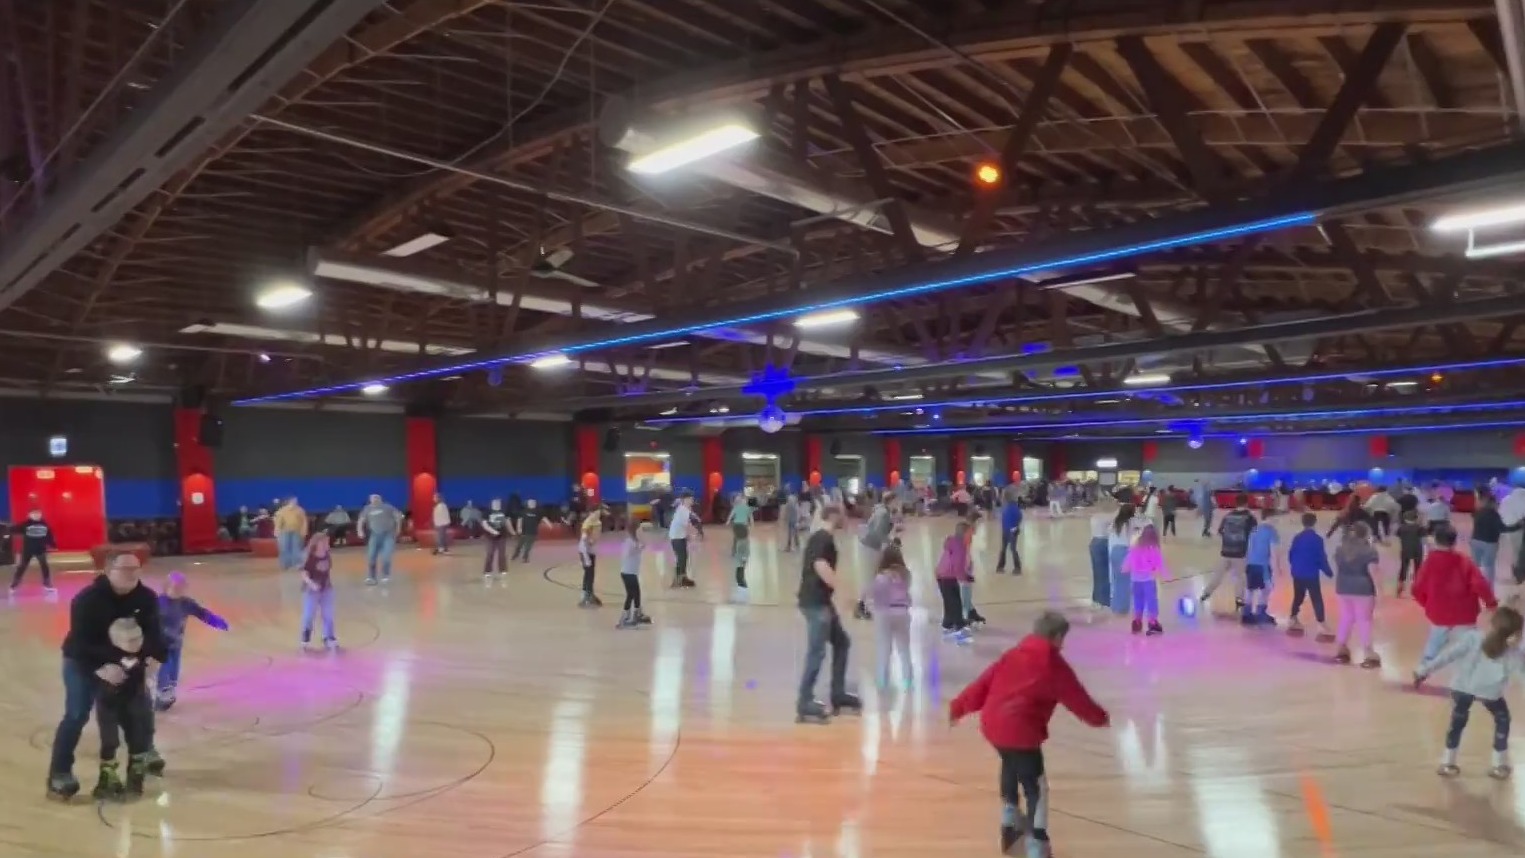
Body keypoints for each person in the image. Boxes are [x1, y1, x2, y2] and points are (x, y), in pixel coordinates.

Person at [949, 611, 1109, 858]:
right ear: (1055, 637)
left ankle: (1010, 817)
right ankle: (1037, 841)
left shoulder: (1013, 655)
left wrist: (958, 707)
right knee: (1037, 787)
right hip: (1021, 730)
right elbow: (1078, 699)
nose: (1063, 645)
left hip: (992, 724)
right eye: (1062, 639)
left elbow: (982, 685)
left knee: (1011, 762)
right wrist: (1099, 718)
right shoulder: (1054, 665)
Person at [47, 552, 166, 800]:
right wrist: (101, 668)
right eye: (124, 569)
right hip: (83, 661)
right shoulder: (87, 600)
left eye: (135, 568)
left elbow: (155, 634)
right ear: (108, 570)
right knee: (77, 714)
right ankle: (59, 773)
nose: (131, 574)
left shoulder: (146, 598)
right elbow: (81, 642)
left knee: (139, 710)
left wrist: (155, 657)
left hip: (124, 662)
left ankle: (144, 751)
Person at [1414, 606, 1524, 780]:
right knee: (1502, 718)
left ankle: (1448, 761)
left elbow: (1448, 655)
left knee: (1458, 721)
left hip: (1461, 687)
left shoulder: (1473, 638)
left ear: (1492, 623)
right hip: (1490, 692)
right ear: (1515, 634)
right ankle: (1499, 764)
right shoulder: (1512, 654)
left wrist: (1424, 670)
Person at [795, 503, 859, 723]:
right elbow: (821, 566)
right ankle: (804, 701)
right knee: (817, 652)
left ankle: (838, 694)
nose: (846, 518)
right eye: (843, 514)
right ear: (833, 516)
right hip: (815, 604)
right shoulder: (822, 538)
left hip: (821, 602)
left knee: (842, 642)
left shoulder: (823, 538)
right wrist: (844, 592)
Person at [90, 617, 157, 799]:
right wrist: (100, 670)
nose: (135, 644)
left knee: (138, 738)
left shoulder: (145, 651)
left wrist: (153, 667)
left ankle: (135, 778)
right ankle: (107, 779)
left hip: (134, 700)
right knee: (110, 740)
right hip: (108, 703)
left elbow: (160, 651)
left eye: (137, 639)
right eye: (129, 640)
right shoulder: (104, 654)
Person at [1412, 523, 1497, 662]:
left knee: (1433, 646)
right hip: (1465, 613)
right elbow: (1479, 584)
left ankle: (1422, 670)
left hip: (1439, 613)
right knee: (1469, 647)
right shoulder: (1464, 561)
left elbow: (1417, 588)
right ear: (1455, 541)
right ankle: (1468, 675)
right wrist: (1491, 603)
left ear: (1435, 539)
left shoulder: (1430, 562)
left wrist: (1428, 604)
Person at [153, 571, 228, 711]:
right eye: (175, 587)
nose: (178, 590)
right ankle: (162, 691)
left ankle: (168, 692)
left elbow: (202, 613)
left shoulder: (186, 603)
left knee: (174, 669)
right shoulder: (158, 603)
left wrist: (217, 622)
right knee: (165, 666)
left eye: (181, 587)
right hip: (160, 644)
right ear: (167, 586)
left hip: (176, 644)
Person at [1332, 522, 1381, 668]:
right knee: (1364, 620)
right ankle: (1368, 653)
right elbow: (1374, 572)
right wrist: (1380, 591)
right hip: (1363, 589)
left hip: (1342, 587)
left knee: (1346, 618)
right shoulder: (1369, 551)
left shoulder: (1340, 550)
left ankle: (1341, 649)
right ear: (1366, 534)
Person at [869, 543, 914, 690]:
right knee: (904, 648)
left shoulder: (881, 577)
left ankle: (883, 681)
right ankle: (908, 680)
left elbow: (876, 597)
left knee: (884, 648)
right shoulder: (905, 575)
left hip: (884, 614)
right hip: (903, 612)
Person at [1201, 494, 1255, 612]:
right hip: (1240, 552)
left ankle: (1206, 593)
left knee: (1218, 575)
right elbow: (1254, 533)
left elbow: (1220, 531)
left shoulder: (1228, 516)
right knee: (1240, 577)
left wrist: (1228, 539)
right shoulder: (1249, 517)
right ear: (1246, 503)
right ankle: (1239, 599)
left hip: (1226, 551)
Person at [1286, 513, 1335, 640]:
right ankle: (1321, 623)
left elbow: (1291, 554)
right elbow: (1321, 558)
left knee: (1298, 596)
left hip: (1298, 572)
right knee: (1316, 598)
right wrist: (1328, 572)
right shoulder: (1317, 539)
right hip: (1311, 573)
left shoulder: (1297, 537)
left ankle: (1293, 617)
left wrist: (1294, 566)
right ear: (1314, 522)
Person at [1122, 523, 1165, 635]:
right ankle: (1152, 622)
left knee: (1138, 601)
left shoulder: (1135, 549)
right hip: (1148, 581)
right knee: (1151, 601)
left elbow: (1126, 567)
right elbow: (1157, 566)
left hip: (1136, 581)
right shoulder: (1153, 549)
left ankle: (1137, 621)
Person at [936, 520, 975, 643]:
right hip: (946, 575)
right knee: (954, 602)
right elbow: (957, 564)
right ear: (964, 534)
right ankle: (958, 626)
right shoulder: (960, 546)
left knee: (950, 600)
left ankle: (948, 623)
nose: (972, 536)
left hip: (944, 575)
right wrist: (964, 577)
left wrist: (964, 575)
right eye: (969, 533)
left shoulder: (954, 542)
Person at [856, 495, 895, 618]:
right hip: (871, 546)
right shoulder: (883, 513)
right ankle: (862, 606)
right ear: (891, 501)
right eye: (897, 501)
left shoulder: (882, 510)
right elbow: (878, 532)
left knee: (872, 576)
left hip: (870, 545)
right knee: (870, 577)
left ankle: (864, 605)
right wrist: (888, 543)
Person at [299, 530, 338, 650]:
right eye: (324, 542)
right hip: (311, 591)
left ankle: (329, 637)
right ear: (317, 543)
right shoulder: (309, 557)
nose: (327, 544)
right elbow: (304, 574)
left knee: (328, 615)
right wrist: (312, 584)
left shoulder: (327, 555)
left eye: (327, 542)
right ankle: (306, 636)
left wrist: (325, 585)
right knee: (309, 615)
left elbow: (326, 572)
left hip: (326, 589)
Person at [1242, 509, 1280, 626]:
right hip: (1263, 565)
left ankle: (1246, 614)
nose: (1277, 521)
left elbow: (1249, 548)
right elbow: (1273, 552)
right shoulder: (1272, 532)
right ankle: (1261, 613)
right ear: (1270, 518)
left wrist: (1247, 563)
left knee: (1250, 589)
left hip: (1251, 564)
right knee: (1266, 589)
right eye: (1275, 518)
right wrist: (1276, 568)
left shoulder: (1254, 529)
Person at [1470, 494, 1517, 587]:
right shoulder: (1494, 515)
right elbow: (1502, 528)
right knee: (1489, 567)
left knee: (1474, 565)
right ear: (1493, 503)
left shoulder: (1478, 513)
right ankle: (1488, 589)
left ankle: (1472, 584)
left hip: (1475, 541)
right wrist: (1518, 526)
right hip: (1490, 543)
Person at [10, 507, 57, 594]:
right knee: (22, 567)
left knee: (45, 566)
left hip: (41, 550)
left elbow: (49, 536)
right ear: (30, 515)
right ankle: (14, 585)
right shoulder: (25, 524)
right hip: (28, 550)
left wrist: (53, 545)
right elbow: (14, 530)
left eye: (38, 513)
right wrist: (11, 527)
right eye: (34, 514)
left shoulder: (45, 524)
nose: (36, 515)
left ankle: (47, 584)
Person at [616, 519, 654, 629]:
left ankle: (637, 613)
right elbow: (628, 553)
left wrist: (641, 544)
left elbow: (643, 545)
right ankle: (624, 617)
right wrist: (638, 547)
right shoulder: (629, 542)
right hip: (627, 573)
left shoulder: (635, 541)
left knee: (637, 593)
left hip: (632, 572)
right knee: (630, 595)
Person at [357, 494, 401, 584]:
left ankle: (385, 576)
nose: (375, 499)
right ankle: (371, 577)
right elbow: (361, 520)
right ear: (370, 500)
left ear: (381, 499)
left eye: (377, 498)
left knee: (386, 557)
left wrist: (398, 529)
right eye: (373, 498)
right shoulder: (367, 509)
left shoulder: (388, 507)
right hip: (375, 535)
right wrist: (359, 531)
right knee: (371, 557)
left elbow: (398, 517)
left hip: (388, 535)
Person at [1106, 504, 1138, 616]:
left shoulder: (1115, 522)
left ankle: (1115, 605)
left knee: (1116, 580)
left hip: (1114, 551)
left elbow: (1108, 531)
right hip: (1125, 552)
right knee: (1125, 582)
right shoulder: (1131, 523)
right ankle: (1123, 607)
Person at [1396, 508, 1427, 597]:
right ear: (1416, 518)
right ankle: (1417, 589)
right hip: (1417, 550)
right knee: (1418, 568)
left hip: (1405, 550)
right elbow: (1424, 539)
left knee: (1403, 568)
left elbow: (1398, 538)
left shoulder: (1401, 528)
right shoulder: (1420, 528)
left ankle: (1400, 586)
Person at [668, 493, 697, 588]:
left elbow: (685, 523)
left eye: (692, 499)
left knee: (683, 557)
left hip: (679, 536)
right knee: (681, 558)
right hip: (676, 537)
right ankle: (677, 581)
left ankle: (682, 579)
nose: (692, 500)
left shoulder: (684, 509)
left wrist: (688, 535)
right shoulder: (683, 510)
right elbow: (686, 525)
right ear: (685, 500)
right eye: (690, 499)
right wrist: (691, 535)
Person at [729, 493, 754, 603]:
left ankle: (743, 593)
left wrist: (743, 557)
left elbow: (745, 551)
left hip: (741, 562)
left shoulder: (743, 539)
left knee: (740, 576)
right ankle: (742, 592)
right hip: (740, 560)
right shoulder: (740, 538)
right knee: (739, 576)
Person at [1087, 502, 1112, 609]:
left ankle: (1096, 599)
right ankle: (1104, 600)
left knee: (1097, 573)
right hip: (1103, 543)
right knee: (1105, 573)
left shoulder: (1094, 517)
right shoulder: (1108, 517)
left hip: (1094, 542)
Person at [274, 496, 308, 571]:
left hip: (297, 531)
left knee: (296, 548)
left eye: (296, 501)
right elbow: (278, 521)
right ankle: (285, 564)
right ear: (289, 501)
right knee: (284, 548)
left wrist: (304, 531)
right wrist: (277, 531)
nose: (295, 502)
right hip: (284, 532)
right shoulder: (282, 510)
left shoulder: (300, 510)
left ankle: (297, 564)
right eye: (294, 501)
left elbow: (304, 522)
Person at [577, 508, 603, 608]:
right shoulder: (587, 524)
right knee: (588, 573)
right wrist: (586, 558)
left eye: (599, 513)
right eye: (595, 513)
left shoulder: (598, 523)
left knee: (591, 574)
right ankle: (585, 595)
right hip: (585, 551)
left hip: (591, 551)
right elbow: (583, 543)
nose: (597, 515)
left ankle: (590, 593)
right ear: (590, 513)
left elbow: (595, 538)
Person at [481, 498, 510, 578]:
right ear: (492, 504)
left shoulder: (504, 512)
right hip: (490, 537)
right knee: (490, 553)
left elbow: (507, 522)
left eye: (498, 503)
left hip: (502, 536)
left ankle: (503, 570)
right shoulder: (487, 512)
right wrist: (493, 531)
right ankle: (487, 570)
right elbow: (484, 524)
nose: (497, 505)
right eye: (495, 503)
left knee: (502, 554)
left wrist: (512, 531)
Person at [997, 492, 1023, 574]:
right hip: (1012, 530)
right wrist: (1016, 526)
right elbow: (1019, 518)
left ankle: (1000, 567)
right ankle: (1017, 568)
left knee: (1004, 549)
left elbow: (1003, 519)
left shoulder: (1005, 508)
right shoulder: (1015, 508)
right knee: (1012, 549)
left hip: (1006, 530)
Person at [511, 498, 542, 563]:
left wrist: (548, 523)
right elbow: (519, 520)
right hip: (524, 531)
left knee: (528, 546)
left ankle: (525, 557)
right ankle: (516, 554)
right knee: (520, 545)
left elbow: (542, 518)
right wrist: (519, 528)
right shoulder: (523, 511)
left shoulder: (537, 512)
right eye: (531, 502)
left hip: (533, 532)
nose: (533, 504)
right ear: (528, 504)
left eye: (534, 502)